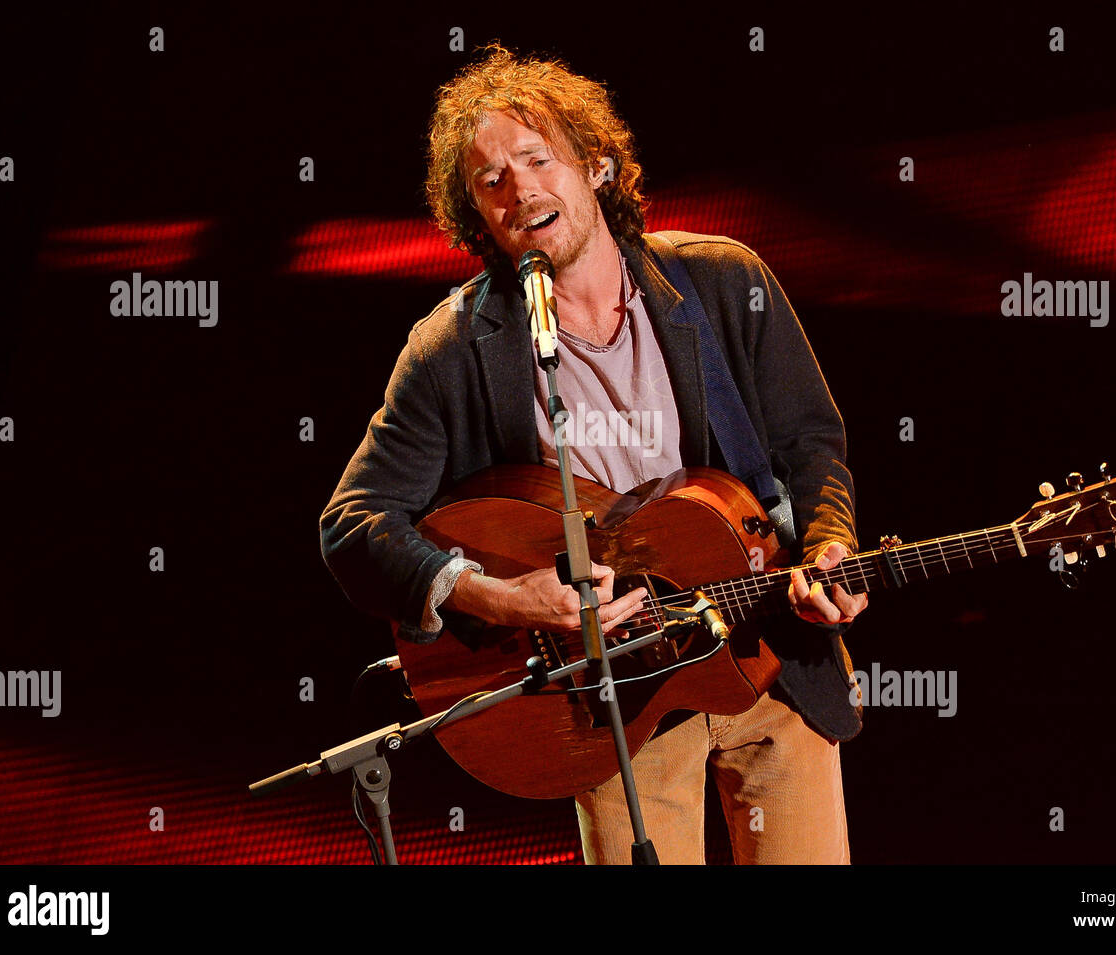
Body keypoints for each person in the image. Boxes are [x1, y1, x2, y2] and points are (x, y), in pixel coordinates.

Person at [319, 43, 868, 864]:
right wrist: (506, 600)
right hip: (610, 703)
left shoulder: (722, 282)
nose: (520, 188)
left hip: (768, 667)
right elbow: (353, 526)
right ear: (474, 213)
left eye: (539, 158)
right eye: (490, 179)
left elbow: (810, 445)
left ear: (598, 167)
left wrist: (831, 544)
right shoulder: (455, 347)